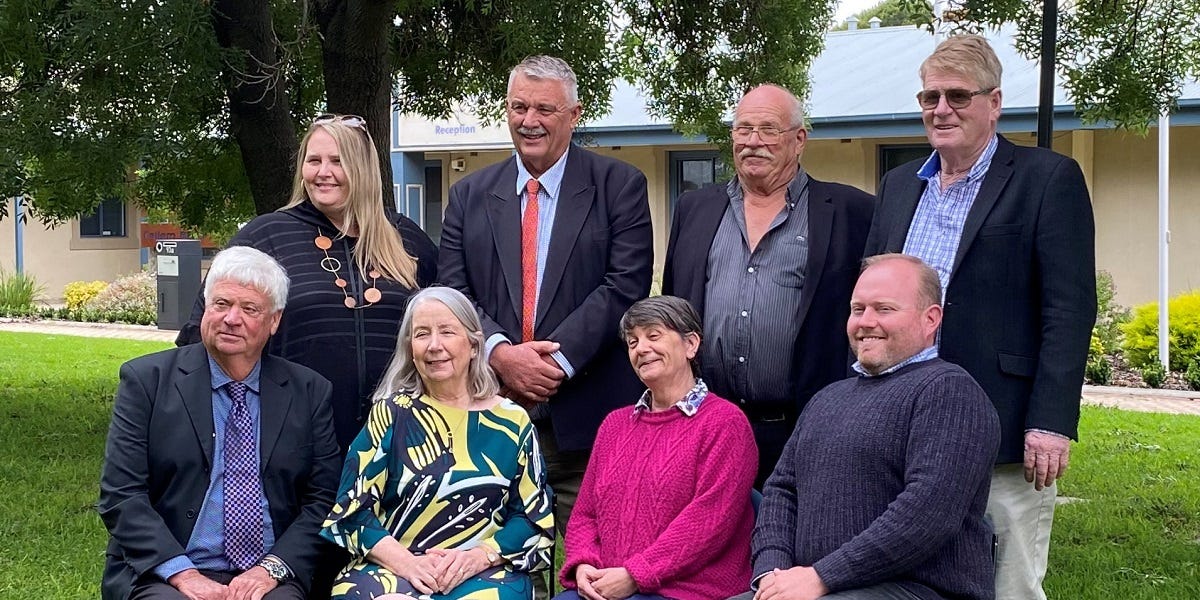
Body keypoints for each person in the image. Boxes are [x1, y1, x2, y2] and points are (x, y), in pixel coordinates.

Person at [864, 35, 1096, 600]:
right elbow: (870, 293)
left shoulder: (1047, 180)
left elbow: (1069, 309)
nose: (941, 109)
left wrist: (1051, 420)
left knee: (1008, 576)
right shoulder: (899, 186)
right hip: (900, 415)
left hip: (1001, 420)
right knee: (908, 570)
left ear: (994, 104)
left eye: (959, 96)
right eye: (930, 97)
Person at [437, 56, 653, 535]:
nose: (528, 121)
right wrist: (500, 354)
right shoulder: (469, 194)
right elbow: (453, 291)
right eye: (518, 107)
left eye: (544, 109)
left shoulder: (620, 186)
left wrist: (552, 364)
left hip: (589, 419)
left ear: (574, 115)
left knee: (591, 567)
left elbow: (626, 286)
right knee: (495, 563)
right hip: (489, 414)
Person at [739, 253, 1000, 600]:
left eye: (884, 309)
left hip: (914, 589)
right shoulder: (828, 398)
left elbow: (925, 516)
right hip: (816, 587)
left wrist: (821, 577)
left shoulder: (949, 392)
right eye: (858, 309)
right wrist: (772, 574)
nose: (866, 322)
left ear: (931, 319)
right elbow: (782, 491)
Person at [177, 113, 438, 453]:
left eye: (337, 161)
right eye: (313, 160)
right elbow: (200, 334)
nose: (322, 172)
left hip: (399, 438)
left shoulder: (407, 239)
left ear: (362, 169)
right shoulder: (267, 237)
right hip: (292, 437)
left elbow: (448, 329)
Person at [98, 246, 341, 600]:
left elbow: (323, 500)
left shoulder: (309, 391)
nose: (231, 318)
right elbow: (122, 494)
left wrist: (270, 569)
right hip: (166, 571)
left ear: (274, 321)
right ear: (206, 308)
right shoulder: (147, 381)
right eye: (222, 304)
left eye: (249, 309)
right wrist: (184, 575)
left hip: (270, 573)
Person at [662, 84, 874, 485]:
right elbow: (676, 311)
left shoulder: (853, 212)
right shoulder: (695, 209)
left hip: (807, 428)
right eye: (743, 129)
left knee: (801, 544)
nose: (753, 142)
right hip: (708, 425)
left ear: (799, 141)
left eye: (768, 130)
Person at [320, 286, 555, 600]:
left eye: (447, 332)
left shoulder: (512, 421)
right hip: (392, 566)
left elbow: (530, 516)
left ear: (473, 345)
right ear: (410, 348)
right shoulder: (390, 414)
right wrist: (409, 565)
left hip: (483, 569)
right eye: (421, 334)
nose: (434, 346)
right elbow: (353, 509)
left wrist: (476, 558)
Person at [557, 296, 757, 600]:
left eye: (654, 335)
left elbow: (709, 521)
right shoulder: (615, 425)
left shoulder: (725, 423)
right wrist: (584, 562)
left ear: (690, 344)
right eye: (632, 341)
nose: (641, 349)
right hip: (609, 586)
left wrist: (635, 575)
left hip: (688, 591)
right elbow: (585, 514)